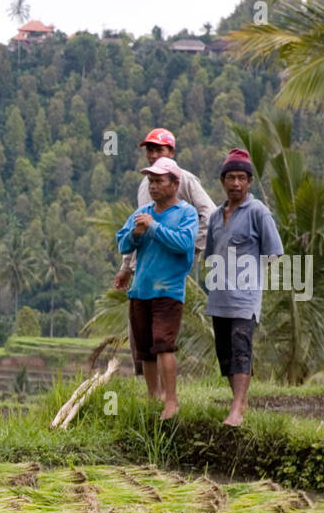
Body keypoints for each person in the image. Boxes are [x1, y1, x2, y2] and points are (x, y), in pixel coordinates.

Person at [114, 128, 215, 392]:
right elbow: (135, 227)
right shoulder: (145, 186)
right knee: (143, 340)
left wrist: (193, 249)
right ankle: (152, 395)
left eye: (160, 149)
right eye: (150, 150)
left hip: (170, 272)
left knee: (164, 337)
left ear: (171, 152)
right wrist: (126, 266)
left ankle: (169, 398)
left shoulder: (186, 181)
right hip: (143, 272)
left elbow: (210, 214)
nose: (154, 155)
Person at [202, 148, 283, 427]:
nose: (235, 183)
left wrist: (251, 277)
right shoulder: (215, 216)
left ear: (248, 182)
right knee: (224, 353)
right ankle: (239, 400)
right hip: (219, 298)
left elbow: (274, 252)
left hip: (244, 299)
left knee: (241, 348)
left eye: (241, 178)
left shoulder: (258, 211)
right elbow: (211, 255)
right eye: (230, 178)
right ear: (223, 181)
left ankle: (237, 408)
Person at [115, 157, 199, 421]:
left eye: (159, 181)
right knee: (145, 349)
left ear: (175, 184)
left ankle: (171, 401)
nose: (153, 186)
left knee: (164, 345)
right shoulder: (142, 214)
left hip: (168, 290)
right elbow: (123, 244)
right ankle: (154, 397)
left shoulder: (186, 213)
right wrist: (136, 234)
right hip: (141, 290)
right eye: (150, 181)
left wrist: (153, 228)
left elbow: (183, 243)